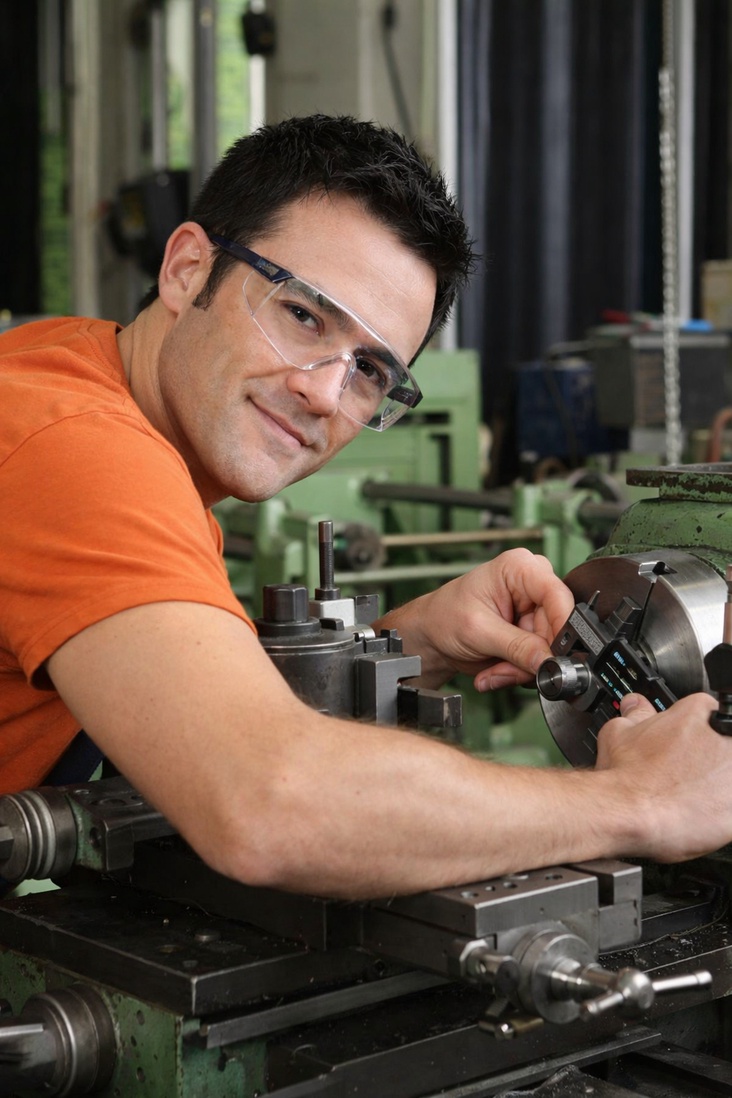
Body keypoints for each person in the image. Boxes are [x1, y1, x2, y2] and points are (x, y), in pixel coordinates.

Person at [1, 114, 730, 902]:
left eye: (372, 370)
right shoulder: (78, 447)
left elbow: (195, 715)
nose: (322, 390)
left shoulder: (79, 375)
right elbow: (269, 802)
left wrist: (405, 644)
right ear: (186, 269)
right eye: (302, 315)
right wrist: (642, 800)